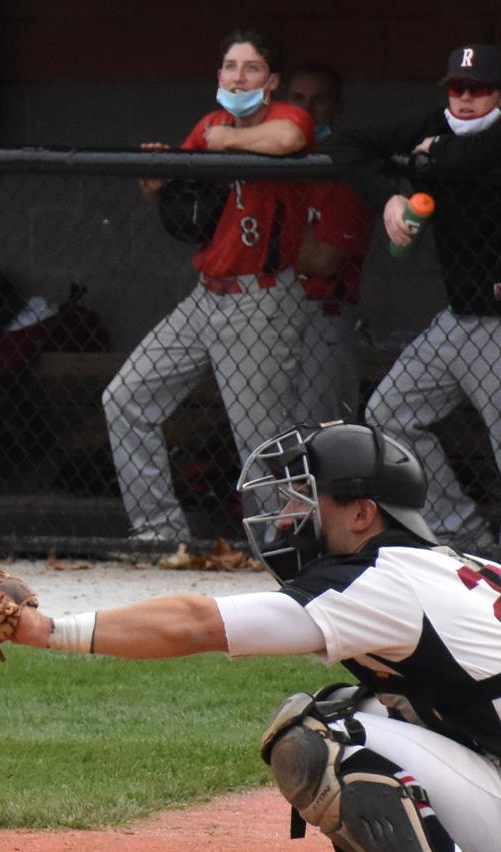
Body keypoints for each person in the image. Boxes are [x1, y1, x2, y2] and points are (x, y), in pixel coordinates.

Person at [6, 420, 501, 852]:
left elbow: (197, 623)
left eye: (306, 499)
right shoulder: (457, 569)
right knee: (358, 705)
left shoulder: (380, 579)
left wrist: (45, 630)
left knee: (317, 738)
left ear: (363, 514)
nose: (289, 518)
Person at [101, 29, 314, 546]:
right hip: (206, 295)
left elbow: (288, 141)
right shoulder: (210, 123)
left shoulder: (287, 117)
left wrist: (229, 141)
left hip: (261, 300)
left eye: (251, 67)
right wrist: (155, 180)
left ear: (272, 81)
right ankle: (159, 535)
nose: (237, 76)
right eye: (229, 66)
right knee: (124, 398)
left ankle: (287, 549)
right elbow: (182, 193)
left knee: (261, 441)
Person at [331, 43, 501, 550]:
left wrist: (433, 157)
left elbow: (476, 155)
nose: (466, 99)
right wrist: (390, 198)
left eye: (480, 89)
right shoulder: (437, 122)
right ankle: (464, 539)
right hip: (460, 317)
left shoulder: (462, 139)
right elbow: (350, 145)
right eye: (457, 88)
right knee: (389, 412)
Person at [285, 64, 371, 425]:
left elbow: (324, 261)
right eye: (297, 99)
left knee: (321, 440)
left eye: (319, 101)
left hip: (324, 316)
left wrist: (275, 244)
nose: (307, 109)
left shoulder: (344, 169)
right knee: (276, 439)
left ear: (336, 108)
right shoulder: (274, 165)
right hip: (276, 318)